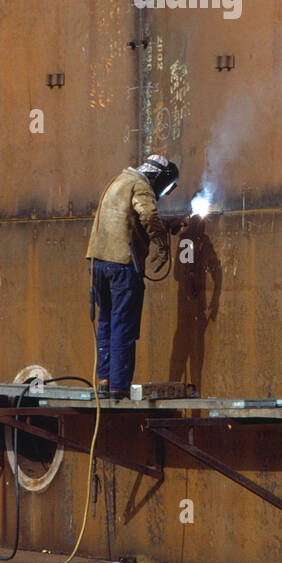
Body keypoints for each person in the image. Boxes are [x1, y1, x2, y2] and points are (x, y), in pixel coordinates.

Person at [85, 155, 180, 399]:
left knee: (106, 321)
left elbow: (128, 218)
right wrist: (161, 243)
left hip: (98, 264)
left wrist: (166, 224)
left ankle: (105, 383)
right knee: (123, 326)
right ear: (156, 177)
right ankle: (119, 390)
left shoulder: (118, 180)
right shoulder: (140, 184)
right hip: (122, 266)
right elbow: (147, 215)